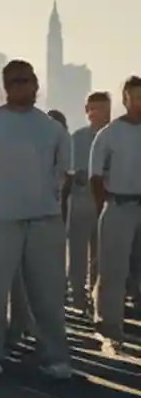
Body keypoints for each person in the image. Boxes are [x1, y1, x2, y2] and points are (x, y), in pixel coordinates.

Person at [0, 59, 72, 379]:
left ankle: (56, 356)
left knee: (47, 296)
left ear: (36, 84)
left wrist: (57, 210)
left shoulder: (52, 128)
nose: (24, 86)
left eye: (28, 80)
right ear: (7, 87)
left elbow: (65, 173)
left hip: (43, 220)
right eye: (16, 81)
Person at [90, 76, 141, 355]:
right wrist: (103, 206)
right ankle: (110, 330)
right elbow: (95, 177)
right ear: (125, 99)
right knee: (113, 272)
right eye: (136, 97)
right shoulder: (109, 134)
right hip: (118, 205)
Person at [68, 92, 111, 313]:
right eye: (93, 108)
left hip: (108, 201)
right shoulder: (77, 138)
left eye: (102, 109)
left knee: (102, 252)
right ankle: (77, 293)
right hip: (82, 199)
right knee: (78, 250)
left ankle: (97, 295)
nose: (97, 113)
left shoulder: (115, 135)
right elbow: (69, 169)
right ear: (86, 110)